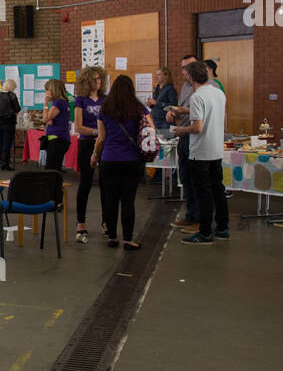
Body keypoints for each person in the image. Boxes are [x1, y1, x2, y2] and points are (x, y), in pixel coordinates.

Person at [92, 74, 153, 249]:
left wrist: (95, 155)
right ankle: (128, 239)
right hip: (132, 160)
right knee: (128, 200)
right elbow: (151, 130)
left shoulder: (105, 108)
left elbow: (101, 137)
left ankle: (112, 237)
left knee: (110, 199)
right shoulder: (139, 108)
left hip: (109, 159)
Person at [173, 61, 230, 246]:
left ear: (190, 77)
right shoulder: (218, 93)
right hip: (216, 148)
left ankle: (205, 232)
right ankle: (222, 228)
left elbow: (197, 127)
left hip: (201, 151)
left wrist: (182, 131)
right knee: (218, 190)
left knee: (203, 193)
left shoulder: (197, 97)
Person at [165, 55, 201, 230]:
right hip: (183, 135)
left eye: (188, 67)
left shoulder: (209, 88)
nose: (185, 71)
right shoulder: (186, 86)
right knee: (185, 177)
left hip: (197, 137)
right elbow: (183, 108)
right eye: (183, 68)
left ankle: (199, 219)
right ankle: (190, 215)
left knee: (197, 179)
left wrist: (182, 110)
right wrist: (173, 113)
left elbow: (200, 111)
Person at [73, 65, 107, 243]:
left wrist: (102, 135)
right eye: (94, 79)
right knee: (85, 183)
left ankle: (106, 221)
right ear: (87, 81)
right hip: (86, 143)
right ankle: (81, 221)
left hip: (104, 145)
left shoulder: (105, 99)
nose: (98, 82)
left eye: (100, 79)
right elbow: (78, 126)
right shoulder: (81, 100)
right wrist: (97, 132)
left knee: (106, 184)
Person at [41, 78, 72, 176]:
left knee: (51, 170)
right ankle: (56, 190)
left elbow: (45, 119)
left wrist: (46, 104)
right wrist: (49, 118)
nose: (46, 92)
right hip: (61, 139)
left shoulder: (58, 102)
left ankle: (53, 190)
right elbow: (49, 120)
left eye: (47, 90)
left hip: (57, 139)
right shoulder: (63, 102)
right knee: (55, 168)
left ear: (53, 90)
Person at [0, 78, 21, 171]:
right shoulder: (12, 95)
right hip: (9, 123)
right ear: (11, 87)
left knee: (1, 143)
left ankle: (2, 162)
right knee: (7, 144)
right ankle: (6, 164)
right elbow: (17, 109)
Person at [147, 67, 178, 131]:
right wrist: (150, 104)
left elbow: (174, 106)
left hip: (165, 122)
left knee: (167, 140)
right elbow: (156, 105)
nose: (156, 77)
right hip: (155, 121)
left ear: (166, 76)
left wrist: (157, 103)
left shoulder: (170, 89)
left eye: (159, 75)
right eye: (156, 75)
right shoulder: (156, 88)